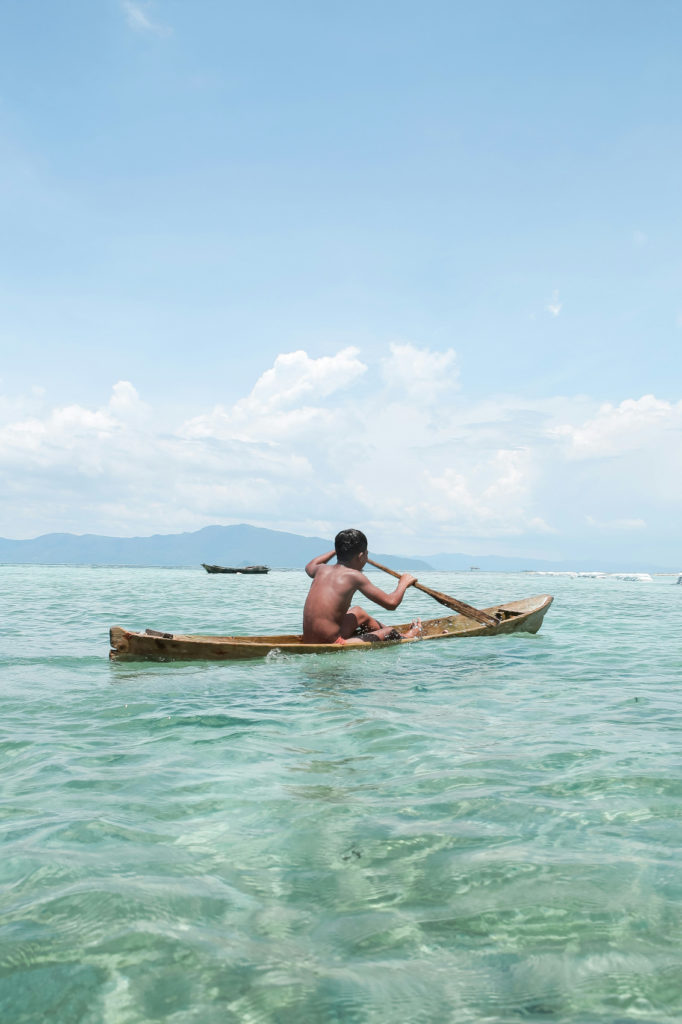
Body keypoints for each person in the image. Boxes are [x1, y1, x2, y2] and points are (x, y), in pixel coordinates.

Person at [302, 528, 422, 644]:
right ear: (360, 556)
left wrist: (339, 550)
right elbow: (391, 603)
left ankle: (398, 634)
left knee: (358, 612)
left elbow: (310, 565)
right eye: (366, 554)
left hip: (308, 639)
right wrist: (403, 583)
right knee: (389, 632)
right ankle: (407, 636)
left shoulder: (321, 569)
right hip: (332, 642)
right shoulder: (354, 576)